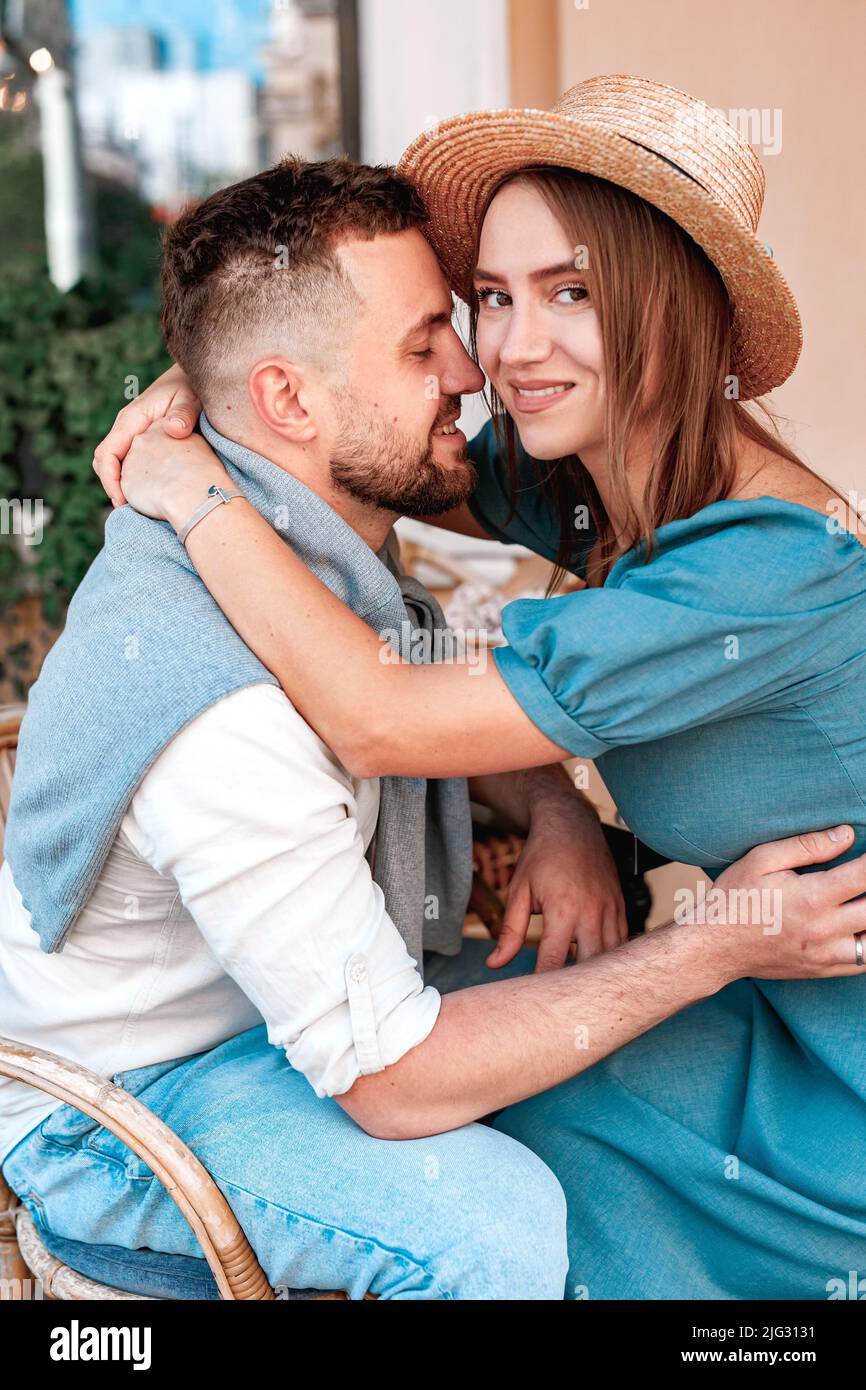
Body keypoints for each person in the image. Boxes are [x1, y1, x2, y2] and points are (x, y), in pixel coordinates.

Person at [6, 155, 852, 1303]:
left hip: (828, 1034)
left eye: (570, 292)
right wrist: (200, 389)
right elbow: (381, 664)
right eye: (478, 305)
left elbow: (384, 705)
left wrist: (191, 464)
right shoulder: (580, 478)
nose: (486, 358)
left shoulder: (748, 560)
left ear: (672, 307)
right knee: (508, 1179)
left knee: (570, 1082)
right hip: (151, 1079)